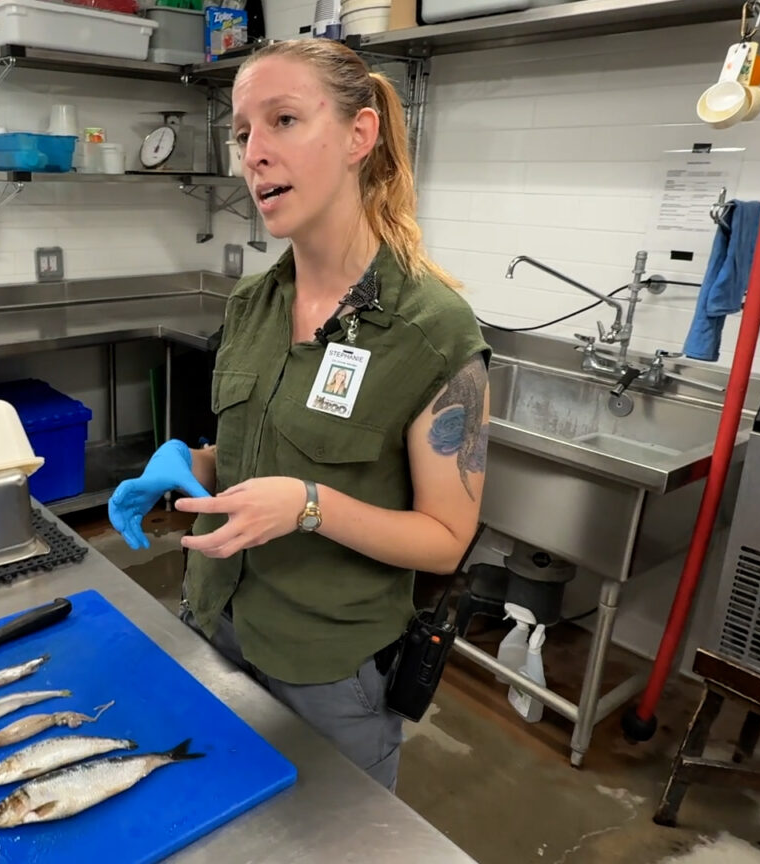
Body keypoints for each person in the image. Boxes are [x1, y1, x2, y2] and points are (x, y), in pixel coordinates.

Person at [108, 39, 491, 792]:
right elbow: (251, 451)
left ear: (359, 135)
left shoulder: (432, 331)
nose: (254, 153)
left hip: (328, 678)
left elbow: (447, 541)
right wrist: (189, 464)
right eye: (244, 133)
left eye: (283, 120)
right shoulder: (252, 306)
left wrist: (312, 508)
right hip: (213, 625)